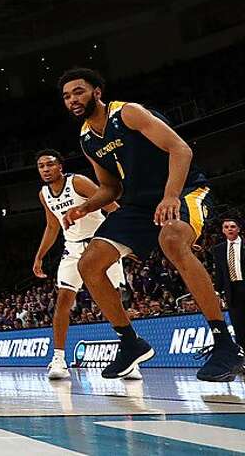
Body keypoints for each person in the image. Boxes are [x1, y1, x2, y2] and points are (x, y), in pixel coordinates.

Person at [58, 67, 243, 381]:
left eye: (79, 91)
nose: (73, 99)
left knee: (171, 240)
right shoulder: (86, 138)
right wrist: (86, 207)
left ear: (97, 92)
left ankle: (226, 343)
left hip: (184, 190)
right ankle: (130, 343)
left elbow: (180, 149)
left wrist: (171, 195)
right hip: (139, 204)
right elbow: (110, 187)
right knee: (89, 264)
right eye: (66, 96)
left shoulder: (128, 114)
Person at [30, 148, 131, 380]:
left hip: (100, 245)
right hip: (73, 248)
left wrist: (122, 239)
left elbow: (112, 207)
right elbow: (52, 226)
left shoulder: (78, 182)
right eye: (41, 166)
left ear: (60, 166)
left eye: (50, 164)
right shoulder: (43, 194)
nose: (45, 169)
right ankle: (58, 359)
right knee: (62, 301)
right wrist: (39, 256)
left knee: (114, 301)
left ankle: (129, 354)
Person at [212, 218, 245, 351]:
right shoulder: (218, 249)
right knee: (238, 326)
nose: (229, 229)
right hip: (232, 291)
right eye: (226, 227)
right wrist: (217, 292)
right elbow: (219, 272)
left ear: (238, 229)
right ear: (223, 230)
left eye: (232, 226)